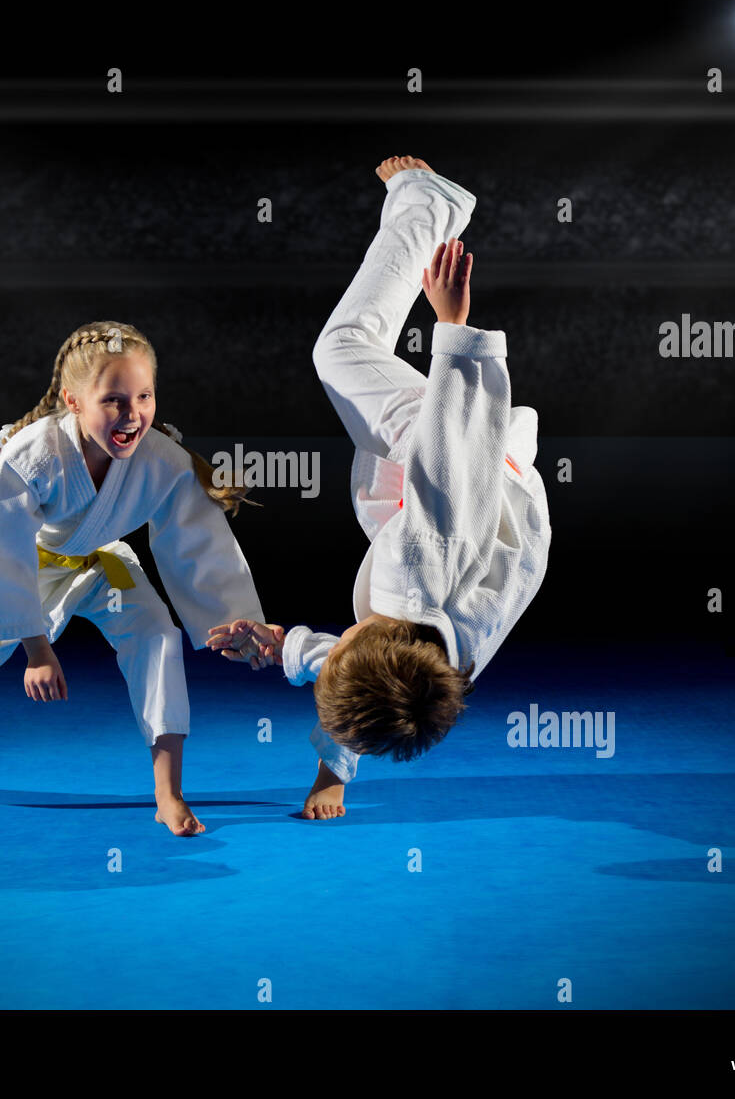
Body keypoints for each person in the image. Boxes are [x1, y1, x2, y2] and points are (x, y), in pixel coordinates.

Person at [208, 156, 552, 820]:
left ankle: (430, 207)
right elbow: (452, 460)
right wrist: (453, 332)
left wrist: (283, 647)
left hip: (479, 511)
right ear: (370, 632)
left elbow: (360, 672)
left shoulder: (434, 669)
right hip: (469, 463)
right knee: (339, 350)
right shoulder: (426, 551)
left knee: (365, 671)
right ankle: (431, 204)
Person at [0, 321, 264, 836]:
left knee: (157, 636)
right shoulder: (32, 455)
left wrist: (236, 623)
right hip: (24, 569)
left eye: (145, 396)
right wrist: (37, 650)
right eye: (114, 401)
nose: (134, 415)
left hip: (101, 565)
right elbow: (6, 555)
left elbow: (200, 547)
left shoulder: (162, 462)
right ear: (73, 401)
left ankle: (167, 790)